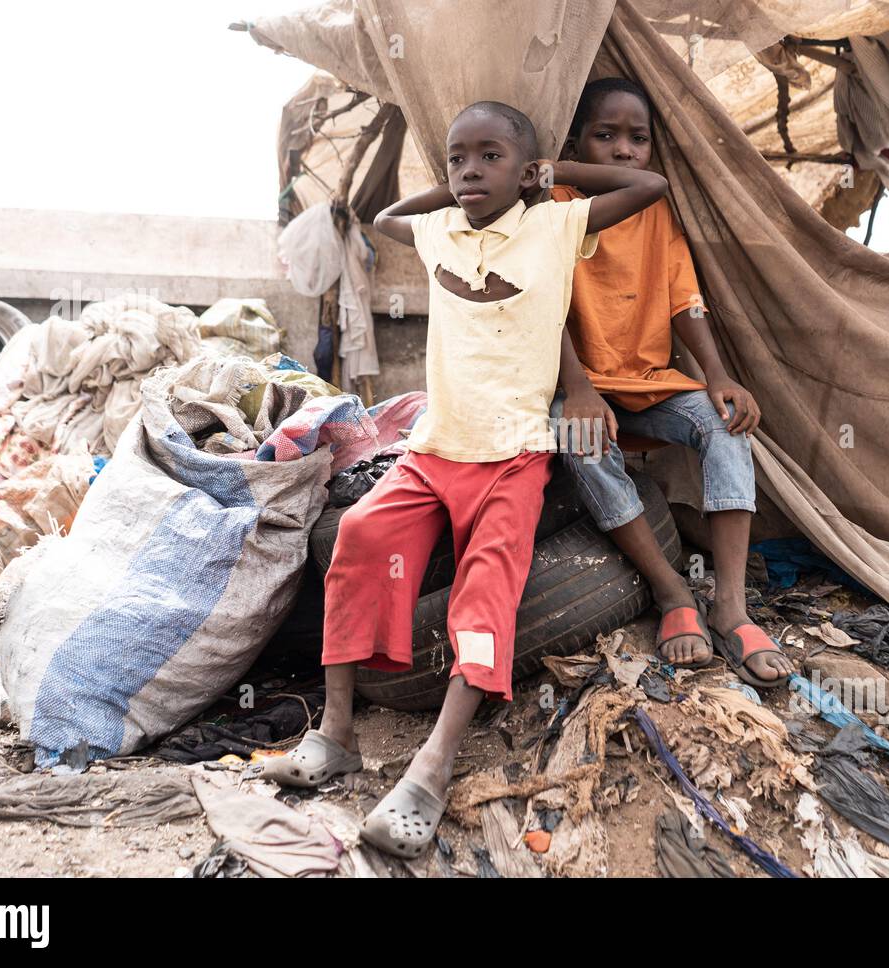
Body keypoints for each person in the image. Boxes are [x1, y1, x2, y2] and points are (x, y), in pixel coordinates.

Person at [262, 100, 668, 859]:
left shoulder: (555, 226)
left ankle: (432, 766)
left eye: (489, 157)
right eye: (457, 159)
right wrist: (456, 191)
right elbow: (385, 215)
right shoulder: (439, 227)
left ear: (527, 168)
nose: (470, 170)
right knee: (357, 537)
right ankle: (338, 733)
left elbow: (649, 188)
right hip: (433, 450)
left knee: (487, 587)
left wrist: (556, 177)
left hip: (514, 453)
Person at [550, 77, 794, 688]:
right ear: (576, 142)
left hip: (649, 382)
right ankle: (670, 589)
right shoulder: (551, 204)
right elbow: (536, 305)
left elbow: (686, 299)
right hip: (576, 385)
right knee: (580, 437)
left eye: (638, 139)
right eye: (605, 136)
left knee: (727, 426)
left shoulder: (654, 209)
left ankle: (731, 606)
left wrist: (717, 376)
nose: (624, 151)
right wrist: (578, 388)